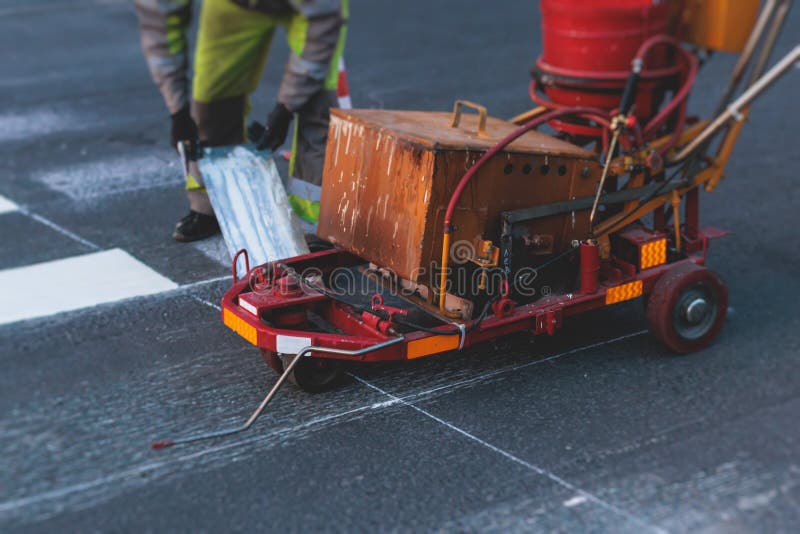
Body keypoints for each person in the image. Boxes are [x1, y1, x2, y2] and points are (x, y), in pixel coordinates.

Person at [133, 0, 348, 241]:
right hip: (234, 4)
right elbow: (159, 27)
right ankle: (212, 203)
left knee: (317, 102)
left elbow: (321, 24)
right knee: (212, 103)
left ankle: (314, 222)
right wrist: (178, 111)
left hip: (314, 11)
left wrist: (286, 108)